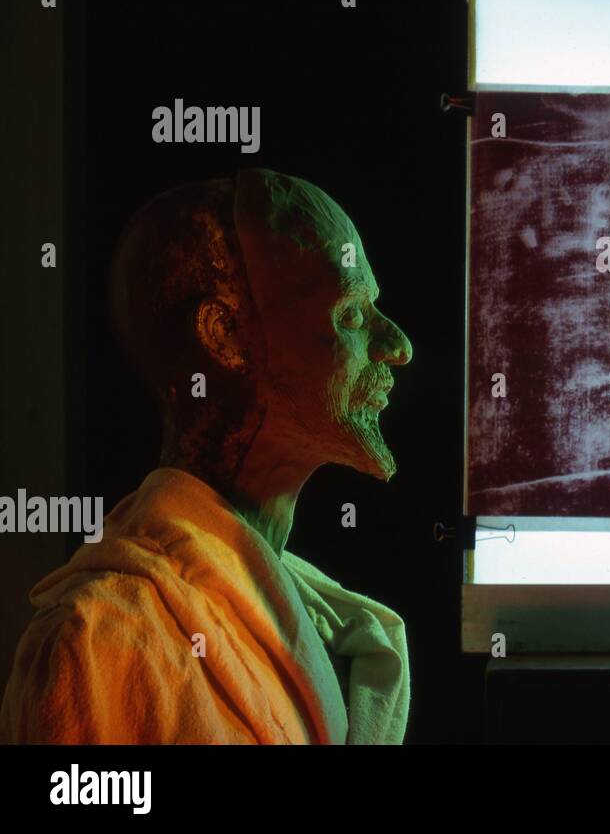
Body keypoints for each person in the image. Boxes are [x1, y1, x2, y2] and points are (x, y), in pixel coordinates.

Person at [0, 169, 413, 744]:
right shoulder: (100, 645)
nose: (398, 346)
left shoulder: (322, 621)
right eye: (349, 315)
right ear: (225, 337)